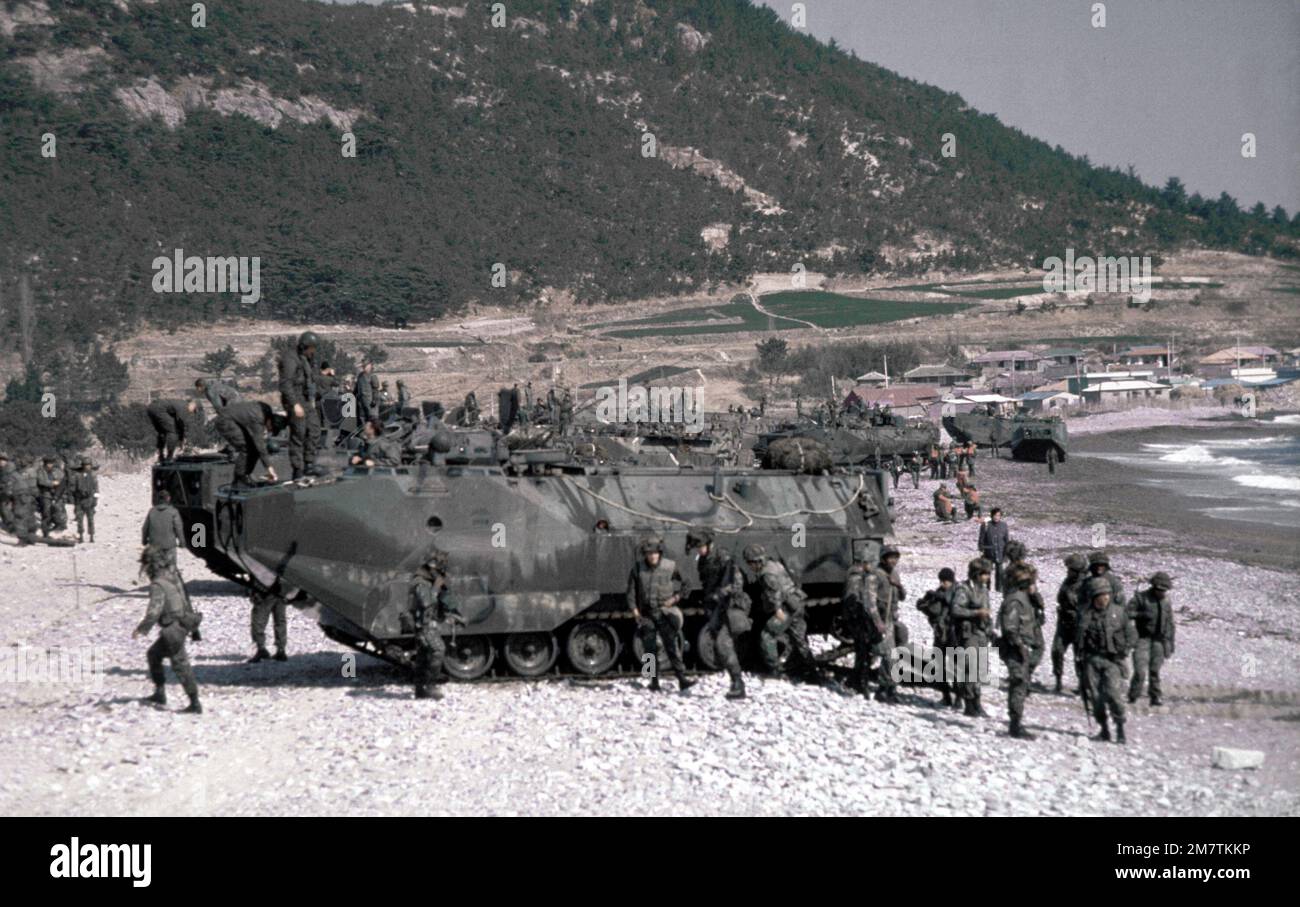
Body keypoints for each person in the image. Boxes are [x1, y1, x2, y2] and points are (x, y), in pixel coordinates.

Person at [132, 545, 202, 714]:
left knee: (180, 664)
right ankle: (160, 692)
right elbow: (185, 601)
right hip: (181, 624)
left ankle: (194, 703)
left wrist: (141, 630)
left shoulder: (158, 585)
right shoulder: (172, 578)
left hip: (172, 628)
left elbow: (154, 611)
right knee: (154, 654)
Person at [687, 528, 750, 700]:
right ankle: (736, 682)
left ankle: (738, 684)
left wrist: (721, 593)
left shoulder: (723, 557)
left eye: (700, 546)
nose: (699, 550)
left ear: (709, 544)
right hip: (716, 607)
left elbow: (737, 583)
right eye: (696, 547)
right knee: (719, 645)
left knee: (723, 645)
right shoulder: (703, 560)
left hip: (730, 606)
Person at [627, 536, 695, 693]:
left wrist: (675, 598)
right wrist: (635, 612)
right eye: (649, 553)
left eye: (655, 553)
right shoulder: (638, 569)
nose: (652, 556)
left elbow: (687, 584)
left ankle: (682, 679)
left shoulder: (670, 566)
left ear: (660, 553)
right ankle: (654, 682)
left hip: (664, 612)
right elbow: (630, 593)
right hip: (646, 614)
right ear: (645, 555)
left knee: (671, 646)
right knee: (649, 650)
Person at [1077, 575, 1137, 743]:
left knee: (1113, 694)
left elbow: (1132, 635)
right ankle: (1104, 729)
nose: (1104, 598)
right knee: (1095, 697)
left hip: (1112, 661)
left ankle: (1120, 728)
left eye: (1107, 594)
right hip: (1091, 661)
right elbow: (1079, 641)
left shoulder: (1118, 613)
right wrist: (1079, 663)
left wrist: (1124, 650)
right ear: (1093, 596)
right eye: (1100, 595)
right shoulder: (1085, 615)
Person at [744, 544, 817, 681]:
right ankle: (812, 671)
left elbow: (775, 593)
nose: (750, 567)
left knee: (767, 635)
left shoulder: (767, 574)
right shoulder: (774, 564)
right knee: (799, 640)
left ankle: (776, 671)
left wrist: (777, 610)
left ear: (756, 561)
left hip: (786, 608)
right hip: (797, 603)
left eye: (750, 563)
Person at [998, 563, 1043, 739]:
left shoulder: (1026, 598)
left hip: (1021, 648)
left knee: (1020, 684)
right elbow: (1010, 628)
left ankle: (1016, 723)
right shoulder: (1015, 600)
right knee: (1018, 685)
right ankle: (1015, 725)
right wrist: (1020, 647)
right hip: (1015, 649)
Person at [410, 550, 462, 699]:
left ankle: (420, 690)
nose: (440, 571)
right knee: (438, 649)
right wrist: (436, 588)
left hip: (427, 624)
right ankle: (430, 686)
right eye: (438, 568)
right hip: (424, 625)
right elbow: (427, 602)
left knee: (423, 656)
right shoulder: (421, 582)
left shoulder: (427, 581)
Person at [949, 557, 994, 717]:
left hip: (981, 633)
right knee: (970, 668)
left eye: (988, 574)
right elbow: (956, 609)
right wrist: (976, 613)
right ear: (976, 574)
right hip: (968, 634)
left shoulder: (983, 590)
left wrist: (990, 629)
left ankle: (977, 702)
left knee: (980, 669)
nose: (987, 577)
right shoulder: (964, 589)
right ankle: (969, 703)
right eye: (984, 574)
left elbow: (987, 610)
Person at [279, 331, 322, 480]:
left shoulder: (305, 359)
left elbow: (310, 379)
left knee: (315, 428)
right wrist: (294, 404)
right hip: (293, 399)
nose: (314, 351)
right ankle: (298, 470)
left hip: (303, 398)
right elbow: (285, 385)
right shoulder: (290, 359)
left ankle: (309, 464)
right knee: (299, 432)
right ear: (306, 346)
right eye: (312, 348)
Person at [1128, 572, 1175, 706]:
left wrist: (1170, 643)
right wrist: (1141, 615)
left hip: (1159, 640)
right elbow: (1126, 614)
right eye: (1159, 589)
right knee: (1140, 671)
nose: (1162, 592)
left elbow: (1170, 623)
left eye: (1164, 590)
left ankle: (1155, 696)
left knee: (1155, 670)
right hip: (1142, 639)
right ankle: (1133, 695)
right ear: (1153, 587)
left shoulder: (1166, 601)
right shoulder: (1140, 598)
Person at [917, 567, 960, 707]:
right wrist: (924, 603)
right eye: (941, 581)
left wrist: (939, 596)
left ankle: (959, 697)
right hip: (941, 634)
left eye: (945, 581)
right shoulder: (940, 591)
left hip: (954, 634)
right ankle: (946, 696)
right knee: (939, 666)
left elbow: (953, 602)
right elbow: (933, 610)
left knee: (956, 667)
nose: (942, 584)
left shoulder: (959, 591)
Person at [213, 400, 278, 485]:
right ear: (270, 421)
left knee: (253, 448)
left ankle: (246, 475)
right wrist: (269, 467)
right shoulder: (259, 419)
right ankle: (239, 478)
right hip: (225, 421)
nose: (268, 429)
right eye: (270, 428)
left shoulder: (266, 409)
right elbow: (260, 446)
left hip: (231, 418)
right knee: (246, 448)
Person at [1051, 553, 1089, 693]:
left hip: (1078, 625)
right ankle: (1058, 680)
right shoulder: (1068, 581)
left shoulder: (1086, 585)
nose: (1068, 571)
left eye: (1070, 569)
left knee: (1079, 656)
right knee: (1057, 651)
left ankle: (1082, 685)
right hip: (1064, 622)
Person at [141, 489, 186, 570]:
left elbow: (145, 528)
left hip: (154, 545)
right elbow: (178, 528)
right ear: (168, 498)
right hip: (169, 545)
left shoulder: (152, 511)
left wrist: (144, 541)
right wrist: (182, 542)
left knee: (156, 569)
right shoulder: (173, 512)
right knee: (171, 568)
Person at [248, 585, 289, 663]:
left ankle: (261, 649)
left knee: (258, 621)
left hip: (265, 592)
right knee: (280, 621)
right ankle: (281, 650)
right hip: (281, 591)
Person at [978, 508, 1010, 592]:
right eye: (995, 515)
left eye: (998, 515)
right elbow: (981, 538)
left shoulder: (1004, 525)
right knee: (987, 571)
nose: (997, 517)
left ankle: (999, 588)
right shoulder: (986, 525)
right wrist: (981, 548)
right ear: (992, 516)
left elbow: (1006, 540)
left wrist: (1007, 552)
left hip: (1000, 551)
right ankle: (987, 588)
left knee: (1000, 572)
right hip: (988, 552)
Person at [36, 455, 68, 537]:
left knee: (58, 511)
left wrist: (59, 486)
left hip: (57, 495)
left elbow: (62, 481)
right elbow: (41, 481)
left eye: (51, 463)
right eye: (48, 463)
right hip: (46, 495)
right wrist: (52, 483)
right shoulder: (41, 471)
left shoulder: (57, 471)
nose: (50, 465)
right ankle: (45, 532)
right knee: (46, 513)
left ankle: (59, 527)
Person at [70, 457, 99, 543]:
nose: (87, 467)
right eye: (86, 465)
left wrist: (95, 500)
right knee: (79, 520)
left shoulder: (93, 475)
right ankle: (81, 536)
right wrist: (75, 498)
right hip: (79, 500)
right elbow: (72, 489)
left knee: (90, 519)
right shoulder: (77, 475)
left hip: (90, 500)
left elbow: (96, 489)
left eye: (89, 465)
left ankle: (91, 536)